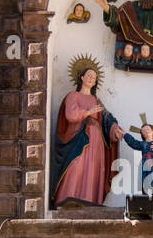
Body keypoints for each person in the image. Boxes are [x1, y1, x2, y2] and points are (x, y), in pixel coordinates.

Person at [51, 64, 126, 208]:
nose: (92, 78)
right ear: (82, 77)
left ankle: (89, 201)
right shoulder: (73, 96)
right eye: (89, 75)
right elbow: (71, 115)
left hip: (96, 141)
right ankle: (66, 200)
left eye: (94, 77)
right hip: (77, 138)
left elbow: (106, 118)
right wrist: (87, 112)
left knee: (92, 170)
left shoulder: (96, 100)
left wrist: (115, 129)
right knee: (75, 167)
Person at [121, 122, 153, 196]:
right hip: (144, 167)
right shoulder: (142, 144)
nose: (146, 131)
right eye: (143, 130)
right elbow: (133, 143)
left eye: (148, 129)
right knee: (144, 184)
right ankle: (145, 200)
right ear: (142, 134)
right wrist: (125, 135)